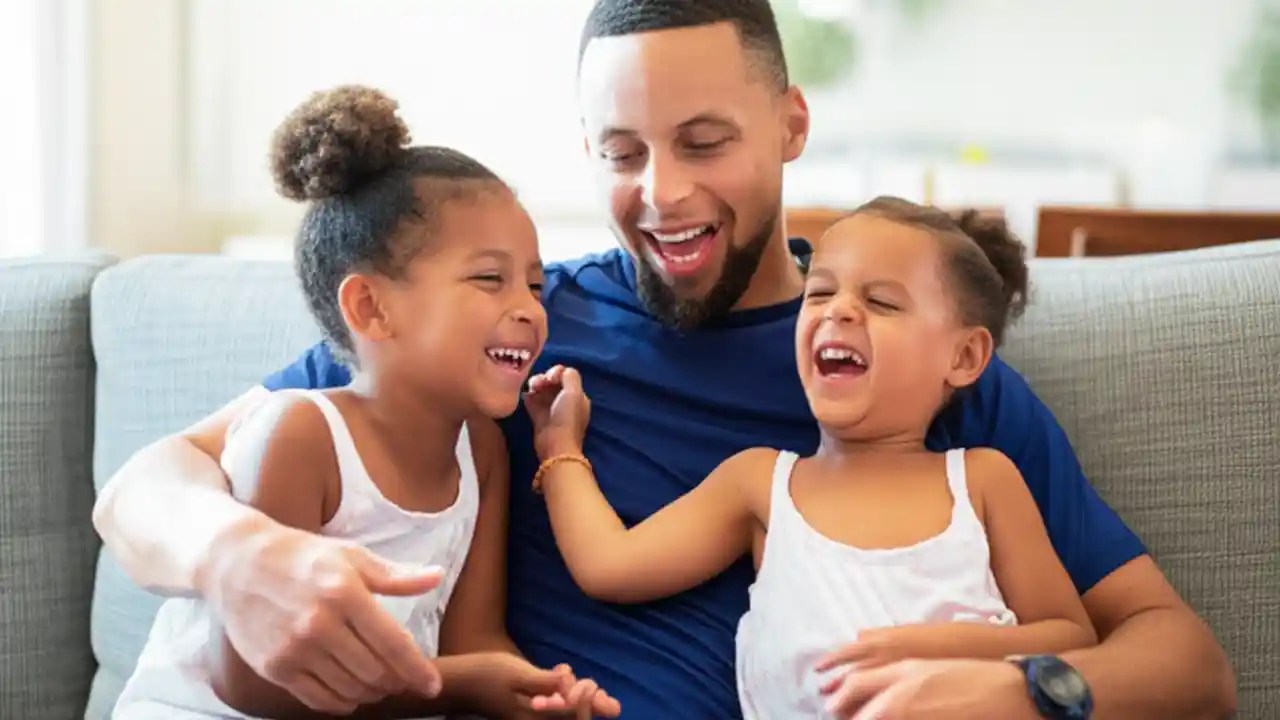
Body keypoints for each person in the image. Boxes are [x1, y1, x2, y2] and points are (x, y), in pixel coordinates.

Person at [93, 1, 1236, 718]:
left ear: (788, 125)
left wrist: (1022, 692)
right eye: (622, 151)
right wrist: (237, 557)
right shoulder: (513, 333)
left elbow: (1184, 662)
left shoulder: (920, 366)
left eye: (703, 143)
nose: (664, 194)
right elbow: (147, 486)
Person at [110, 85, 619, 720]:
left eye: (535, 284)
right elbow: (248, 683)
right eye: (490, 278)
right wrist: (455, 683)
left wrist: (534, 692)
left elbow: (474, 641)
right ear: (370, 309)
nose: (529, 307)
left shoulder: (483, 450)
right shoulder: (299, 434)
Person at [523, 197, 1104, 718]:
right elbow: (610, 565)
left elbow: (1072, 635)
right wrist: (560, 447)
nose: (840, 310)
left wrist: (929, 648)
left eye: (880, 301)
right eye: (820, 291)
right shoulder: (760, 483)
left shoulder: (980, 481)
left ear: (965, 356)